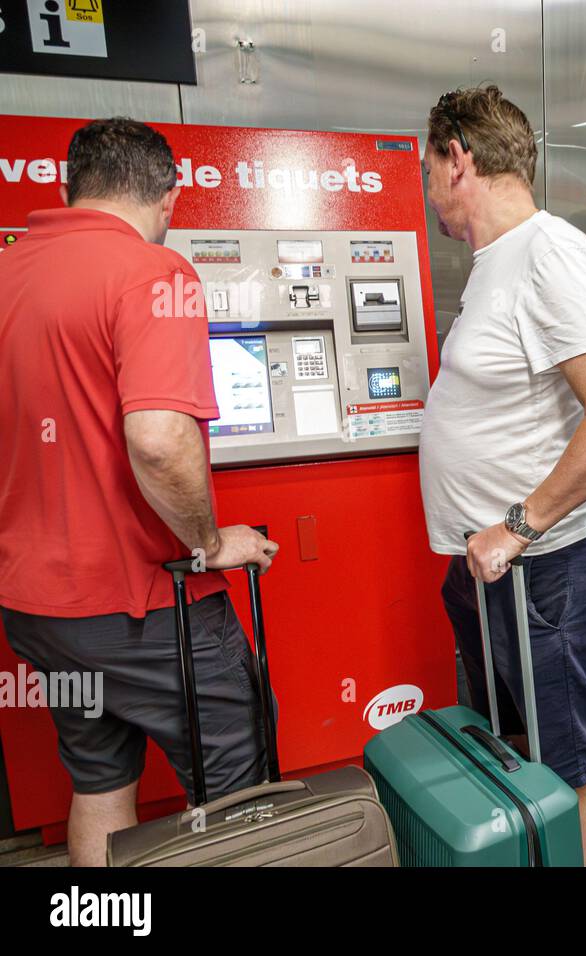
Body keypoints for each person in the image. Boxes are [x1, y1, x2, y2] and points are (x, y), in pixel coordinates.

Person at [0, 118, 278, 866]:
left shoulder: (10, 271)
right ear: (170, 197)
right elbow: (158, 441)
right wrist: (211, 544)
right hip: (143, 606)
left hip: (38, 609)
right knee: (238, 794)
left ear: (69, 186)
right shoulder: (154, 273)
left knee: (97, 780)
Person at [417, 86, 586, 866]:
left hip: (547, 569)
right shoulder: (495, 263)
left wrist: (517, 526)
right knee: (514, 746)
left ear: (459, 158)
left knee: (573, 761)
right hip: (495, 569)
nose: (427, 189)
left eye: (427, 166)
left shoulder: (548, 252)